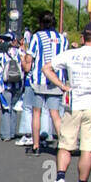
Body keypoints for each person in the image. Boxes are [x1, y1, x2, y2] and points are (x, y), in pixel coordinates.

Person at [42, 20, 91, 182]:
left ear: (83, 37)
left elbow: (47, 68)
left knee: (66, 144)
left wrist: (62, 86)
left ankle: (60, 177)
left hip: (73, 103)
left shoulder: (71, 54)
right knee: (87, 148)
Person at [24, 12, 68, 156]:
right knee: (55, 114)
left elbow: (30, 58)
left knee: (36, 112)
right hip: (56, 80)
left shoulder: (37, 37)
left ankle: (36, 145)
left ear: (41, 23)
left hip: (39, 79)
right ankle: (63, 144)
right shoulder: (63, 39)